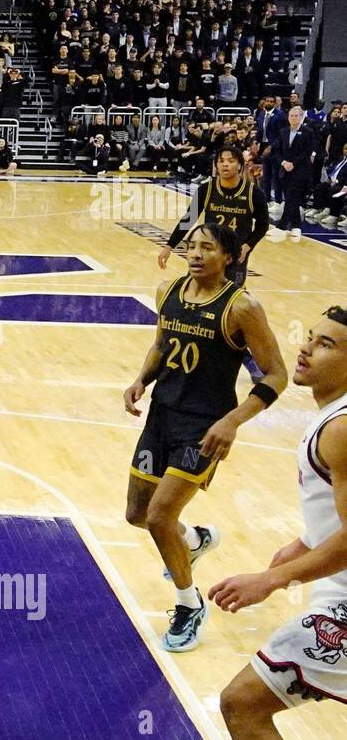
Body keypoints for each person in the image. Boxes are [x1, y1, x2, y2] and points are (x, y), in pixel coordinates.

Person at [123, 223, 287, 652]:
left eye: (207, 248)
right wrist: (142, 379)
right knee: (137, 515)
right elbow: (162, 345)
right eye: (191, 247)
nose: (195, 254)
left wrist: (233, 420)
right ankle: (194, 540)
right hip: (161, 416)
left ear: (228, 257)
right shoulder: (168, 291)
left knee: (159, 517)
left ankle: (188, 604)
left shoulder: (241, 308)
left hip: (205, 427)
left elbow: (276, 374)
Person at [210, 306, 347, 740]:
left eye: (327, 344)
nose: (305, 347)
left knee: (242, 703)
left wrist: (272, 579)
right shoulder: (335, 418)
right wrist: (307, 543)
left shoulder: (342, 428)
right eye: (311, 335)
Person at [159, 145, 269, 286]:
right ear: (216, 165)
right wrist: (169, 246)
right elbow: (189, 219)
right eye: (221, 161)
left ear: (240, 165)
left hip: (235, 253)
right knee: (194, 290)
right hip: (208, 250)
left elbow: (263, 225)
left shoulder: (253, 192)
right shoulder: (206, 189)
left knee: (231, 297)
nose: (225, 164)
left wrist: (248, 245)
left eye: (231, 161)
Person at [270, 105, 316, 239]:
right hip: (285, 169)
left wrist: (293, 163)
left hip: (300, 170)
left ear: (301, 117)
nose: (293, 118)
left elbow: (306, 152)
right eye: (291, 115)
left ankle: (282, 226)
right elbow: (277, 150)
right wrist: (283, 163)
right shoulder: (283, 131)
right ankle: (296, 226)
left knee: (291, 196)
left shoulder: (308, 132)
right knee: (291, 197)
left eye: (296, 115)